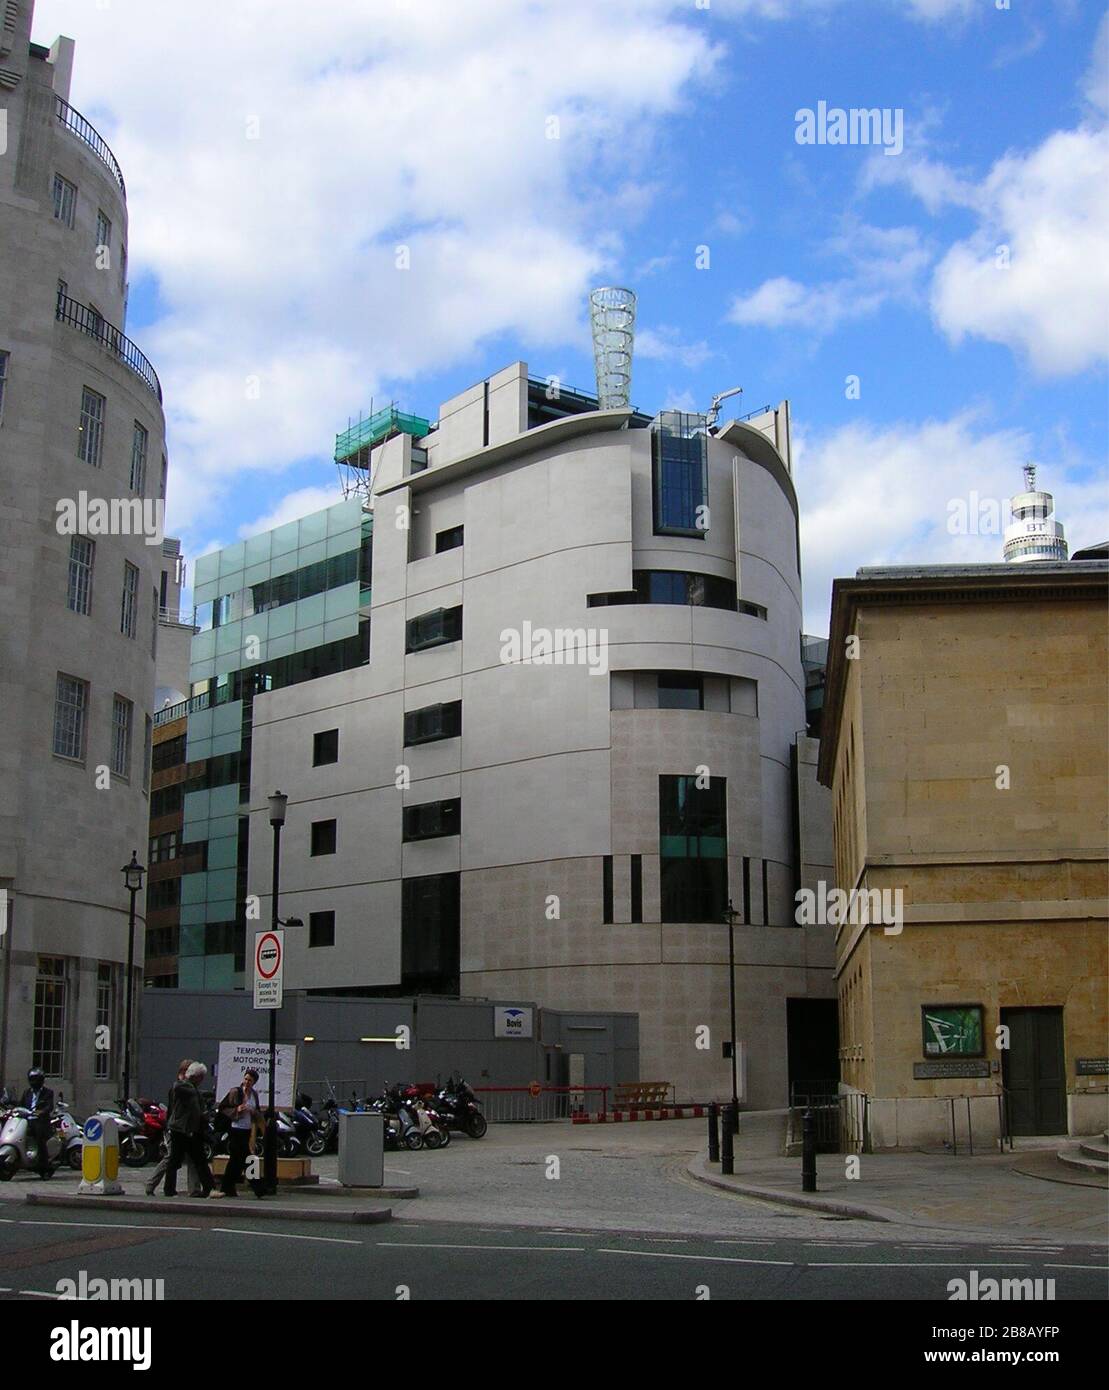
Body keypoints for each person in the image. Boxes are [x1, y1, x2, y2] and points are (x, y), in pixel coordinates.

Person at [145, 1060, 203, 1197]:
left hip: (185, 1128)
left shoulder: (187, 1086)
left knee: (187, 1158)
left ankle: (194, 1188)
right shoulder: (179, 1087)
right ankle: (152, 1184)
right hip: (178, 1128)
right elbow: (175, 1110)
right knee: (172, 1158)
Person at [211, 1068, 265, 1199]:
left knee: (237, 1160)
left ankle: (228, 1187)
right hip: (235, 1129)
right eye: (245, 1079)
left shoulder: (254, 1095)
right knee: (244, 1158)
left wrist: (253, 1112)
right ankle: (258, 1187)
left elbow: (257, 1112)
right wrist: (237, 1110)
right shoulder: (235, 1092)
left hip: (247, 1129)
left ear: (254, 1082)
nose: (247, 1082)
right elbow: (223, 1108)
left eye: (250, 1080)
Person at [163, 1061, 213, 1198]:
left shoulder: (192, 1088)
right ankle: (169, 1190)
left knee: (199, 1159)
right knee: (176, 1160)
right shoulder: (184, 1086)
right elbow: (179, 1089)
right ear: (196, 1076)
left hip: (190, 1130)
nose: (202, 1080)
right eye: (201, 1077)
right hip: (182, 1130)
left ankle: (209, 1188)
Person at [18, 1068, 54, 1177]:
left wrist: (41, 1112)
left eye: (36, 1080)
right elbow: (21, 1105)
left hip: (40, 1121)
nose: (34, 1082)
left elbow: (49, 1106)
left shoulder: (48, 1093)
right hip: (27, 1120)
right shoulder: (26, 1092)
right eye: (32, 1080)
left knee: (39, 1138)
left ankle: (44, 1166)